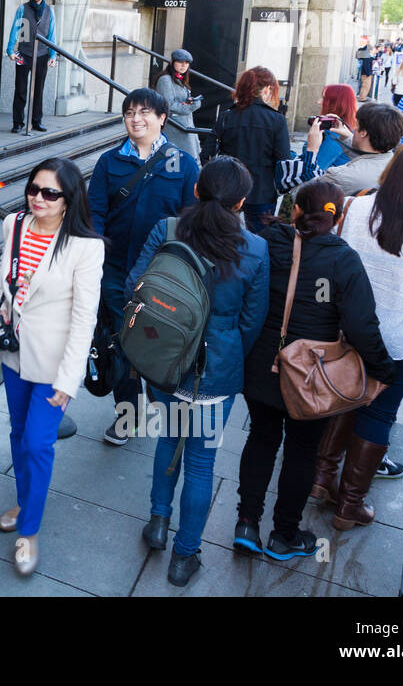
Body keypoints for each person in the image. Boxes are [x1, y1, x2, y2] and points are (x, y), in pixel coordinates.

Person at [234, 179, 395, 560]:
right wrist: (383, 369)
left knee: (260, 438)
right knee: (302, 451)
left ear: (295, 210)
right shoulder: (343, 258)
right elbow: (360, 325)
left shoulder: (269, 242)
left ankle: (246, 523)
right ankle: (284, 534)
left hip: (262, 363)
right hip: (311, 375)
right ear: (337, 218)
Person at [129, 157, 269, 586]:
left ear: (196, 191)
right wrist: (225, 355)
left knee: (166, 442)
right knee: (202, 464)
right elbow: (252, 321)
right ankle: (184, 555)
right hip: (215, 374)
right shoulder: (255, 248)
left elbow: (137, 284)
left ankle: (157, 522)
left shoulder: (167, 230)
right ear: (242, 201)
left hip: (165, 362)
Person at [318, 144, 403, 528]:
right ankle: (350, 504)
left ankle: (321, 477)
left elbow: (337, 262)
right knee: (379, 413)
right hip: (402, 337)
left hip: (348, 327)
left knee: (342, 400)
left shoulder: (357, 208)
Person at [0, 158, 103, 576]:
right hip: (15, 353)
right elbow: (5, 276)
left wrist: (70, 380)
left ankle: (29, 532)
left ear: (69, 200)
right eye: (33, 189)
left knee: (38, 443)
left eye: (50, 193)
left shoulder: (86, 247)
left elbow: (84, 318)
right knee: (19, 434)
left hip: (56, 364)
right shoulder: (14, 224)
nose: (38, 198)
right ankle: (23, 501)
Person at [87, 88, 200, 445]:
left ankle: (159, 391)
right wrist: (94, 260)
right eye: (129, 112)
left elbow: (190, 220)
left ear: (163, 117)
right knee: (122, 342)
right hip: (116, 271)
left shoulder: (183, 164)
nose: (136, 119)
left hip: (163, 277)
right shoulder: (110, 162)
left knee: (158, 339)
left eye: (145, 112)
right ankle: (129, 414)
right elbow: (95, 215)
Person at [214, 66, 290, 232]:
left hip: (230, 187)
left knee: (221, 239)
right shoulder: (276, 120)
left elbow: (208, 154)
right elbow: (284, 159)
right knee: (260, 241)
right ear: (268, 89)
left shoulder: (226, 116)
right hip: (262, 190)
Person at [309, 102, 403, 196]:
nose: (354, 129)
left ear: (363, 132)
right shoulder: (398, 165)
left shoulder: (340, 176)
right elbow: (370, 158)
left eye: (357, 125)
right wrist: (347, 137)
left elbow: (303, 194)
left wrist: (312, 150)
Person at [5, 0, 59, 133]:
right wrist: (10, 50)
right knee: (20, 90)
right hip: (23, 53)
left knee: (38, 90)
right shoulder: (22, 8)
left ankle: (36, 121)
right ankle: (17, 123)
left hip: (42, 55)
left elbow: (52, 34)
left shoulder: (50, 11)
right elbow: (15, 29)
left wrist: (53, 55)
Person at [153, 49, 202, 162]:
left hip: (184, 127)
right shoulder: (165, 80)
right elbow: (168, 105)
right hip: (174, 128)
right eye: (180, 62)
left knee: (187, 163)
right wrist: (192, 106)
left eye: (187, 63)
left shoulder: (179, 79)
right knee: (177, 164)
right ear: (172, 62)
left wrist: (190, 102)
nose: (184, 65)